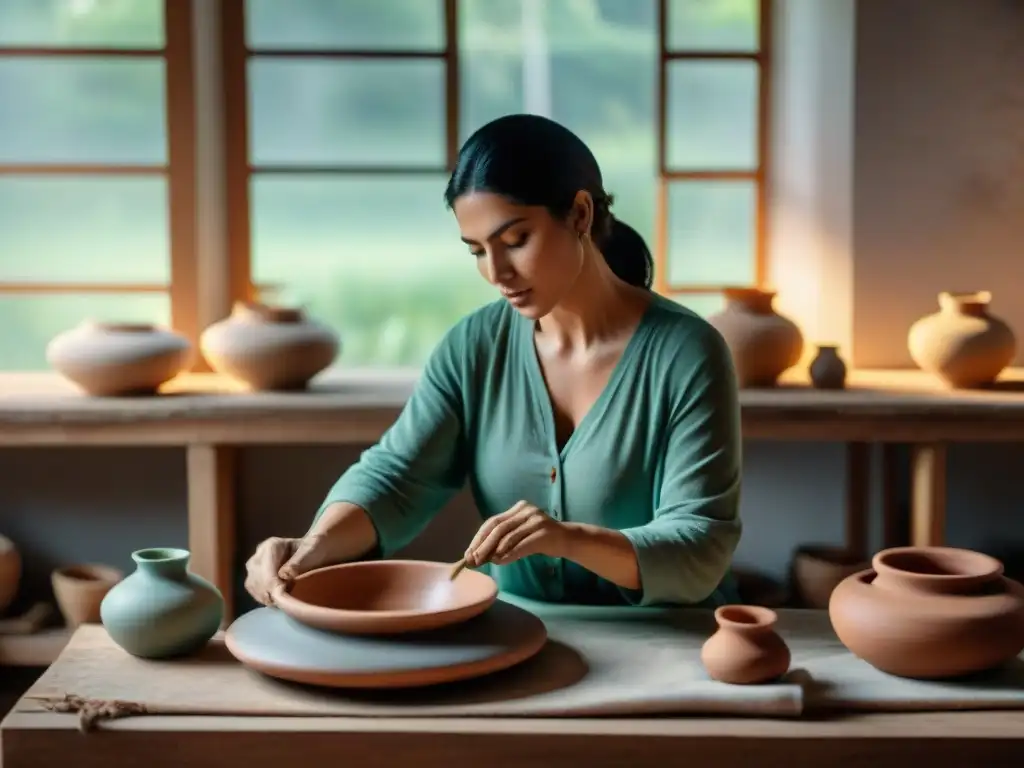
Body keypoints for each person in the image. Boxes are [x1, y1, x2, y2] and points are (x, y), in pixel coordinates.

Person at [244, 113, 742, 608]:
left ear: (580, 215)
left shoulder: (688, 354)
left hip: (666, 649)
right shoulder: (473, 347)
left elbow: (700, 545)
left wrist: (566, 539)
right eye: (477, 251)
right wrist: (314, 544)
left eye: (515, 241)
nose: (496, 272)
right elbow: (397, 477)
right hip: (521, 644)